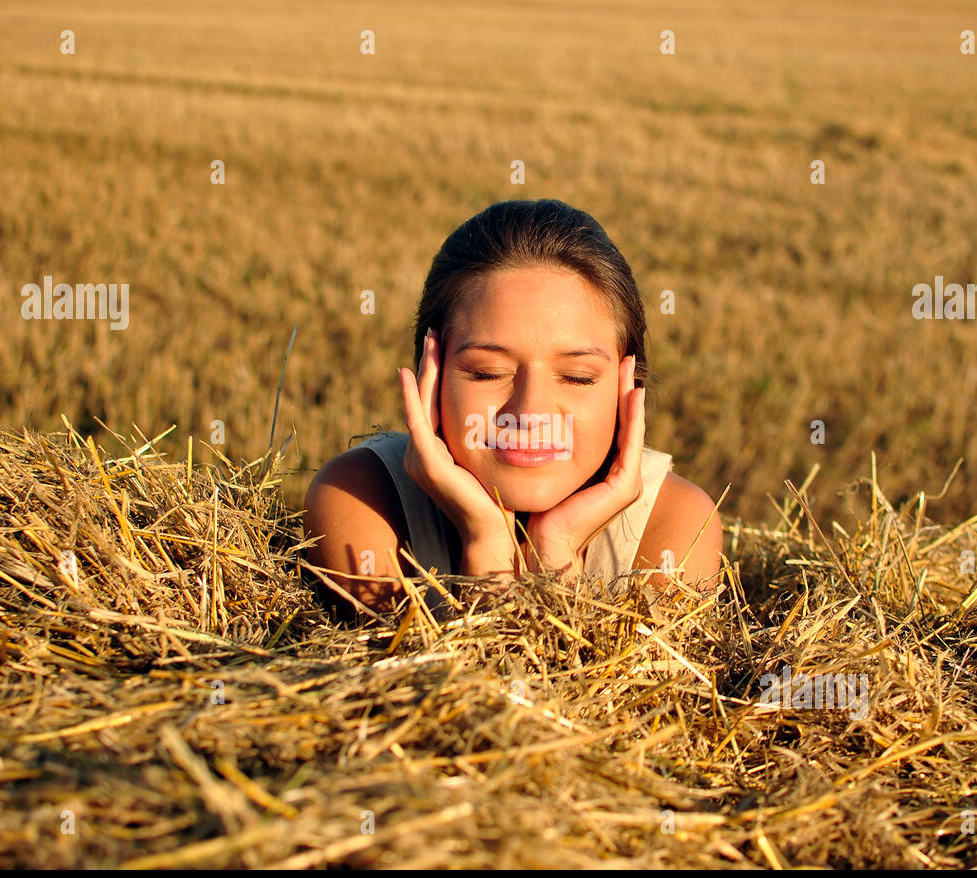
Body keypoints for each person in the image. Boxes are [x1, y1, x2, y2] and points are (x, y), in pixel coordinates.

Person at [303, 198, 724, 621]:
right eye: (487, 372)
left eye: (577, 377)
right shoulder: (360, 498)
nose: (530, 411)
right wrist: (484, 543)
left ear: (626, 388)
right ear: (431, 376)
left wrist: (553, 550)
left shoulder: (674, 527)